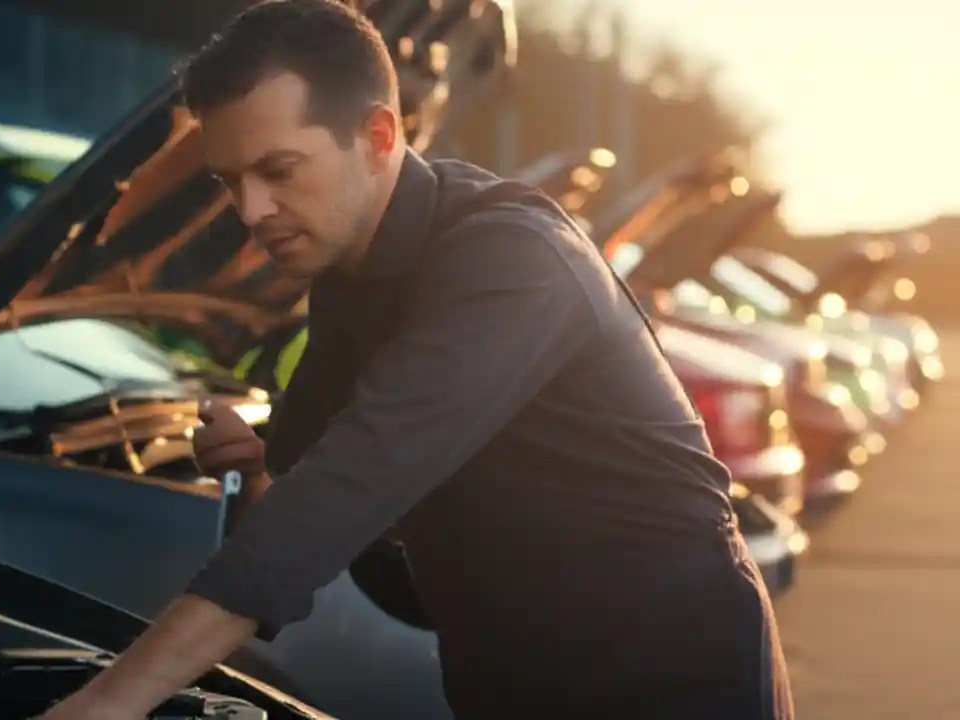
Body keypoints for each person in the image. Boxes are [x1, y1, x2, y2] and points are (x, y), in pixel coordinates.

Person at [40, 1, 793, 718]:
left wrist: (109, 703)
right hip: (511, 683)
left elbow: (336, 497)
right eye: (231, 182)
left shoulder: (513, 263)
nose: (251, 211)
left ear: (378, 135)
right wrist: (255, 461)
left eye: (279, 170)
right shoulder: (349, 277)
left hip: (667, 682)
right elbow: (303, 473)